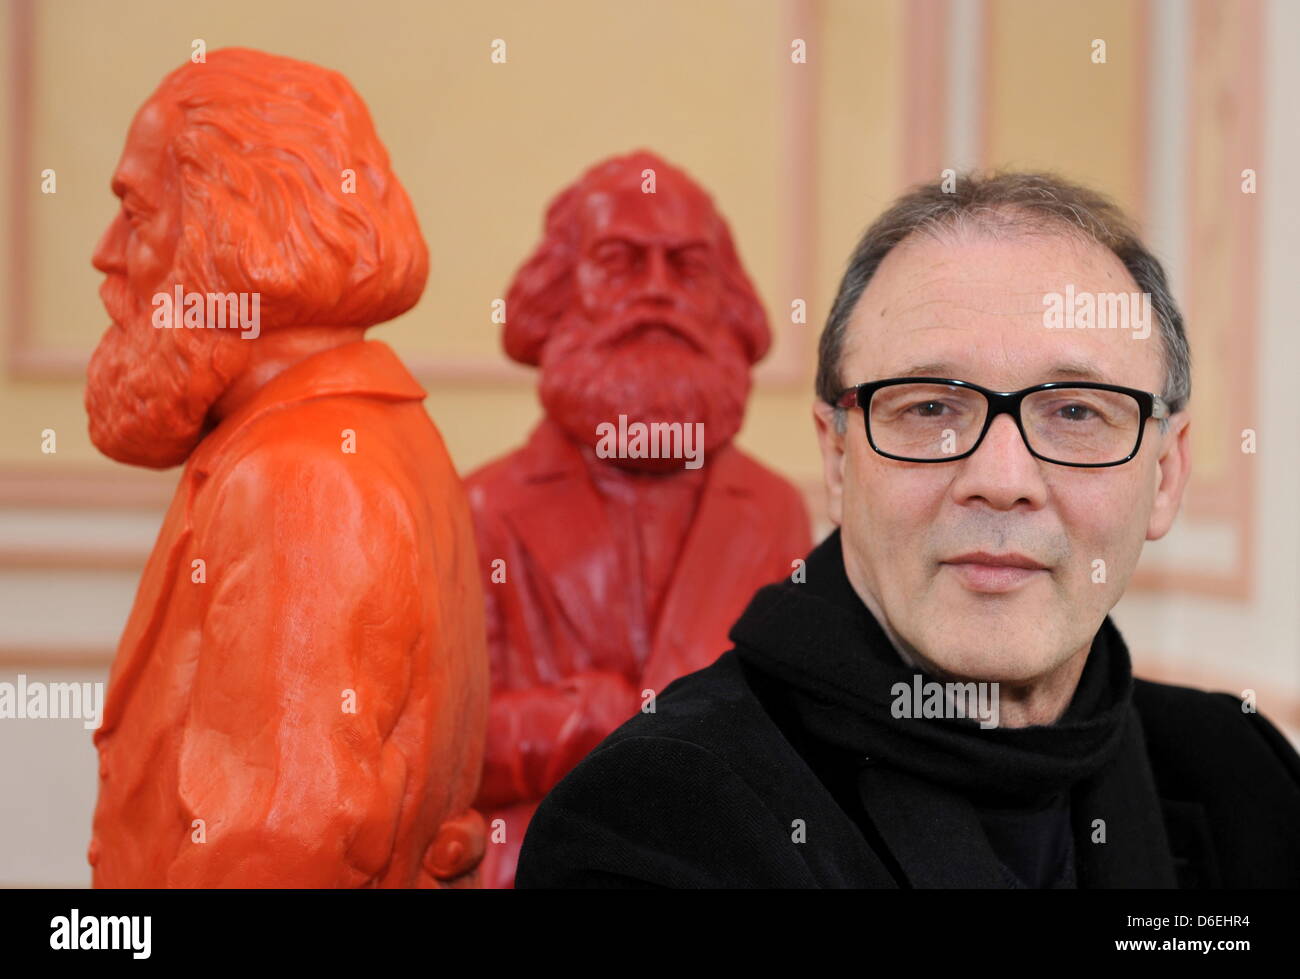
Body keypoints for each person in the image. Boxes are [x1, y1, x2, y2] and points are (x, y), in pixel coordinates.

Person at [516, 171, 1300, 888]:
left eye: (1074, 412)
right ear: (837, 457)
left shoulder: (1242, 772)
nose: (1002, 480)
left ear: (1165, 475)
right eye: (930, 407)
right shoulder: (654, 821)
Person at [85, 48, 488, 888]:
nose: (105, 254)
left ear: (231, 235)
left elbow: (283, 841)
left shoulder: (301, 474)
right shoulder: (365, 432)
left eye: (134, 211)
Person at [467, 150, 811, 887]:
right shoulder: (481, 506)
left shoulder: (775, 509)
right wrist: (599, 715)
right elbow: (440, 747)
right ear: (558, 290)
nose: (656, 291)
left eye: (686, 267)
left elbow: (805, 727)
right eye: (620, 261)